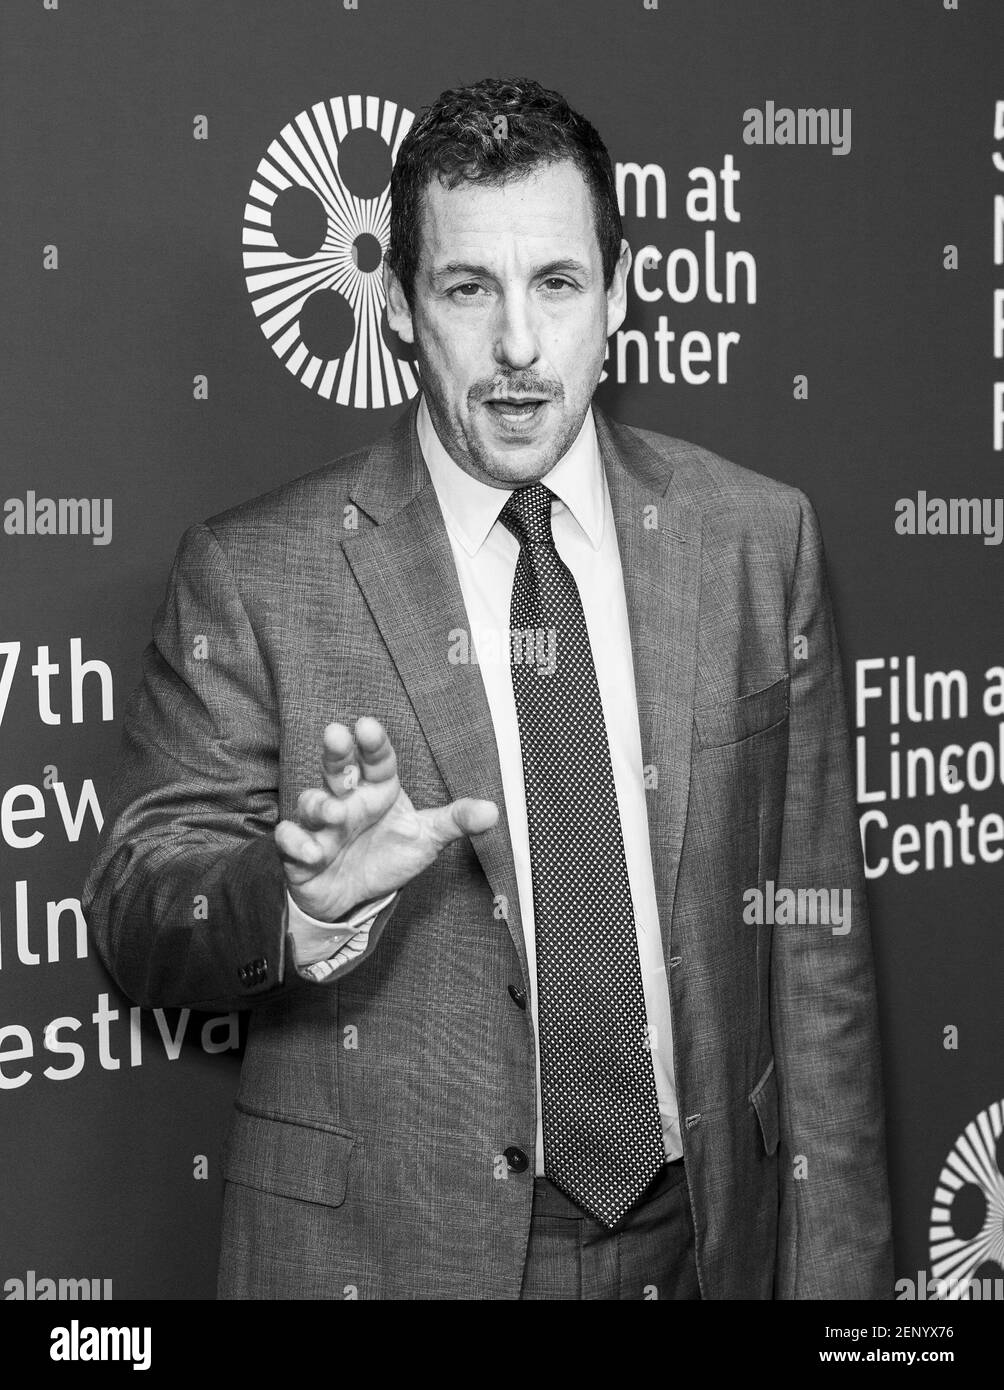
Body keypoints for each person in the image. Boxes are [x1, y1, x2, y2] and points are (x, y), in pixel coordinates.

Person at [83, 76, 893, 1300]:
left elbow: (812, 958)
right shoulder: (256, 572)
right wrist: (293, 904)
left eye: (556, 284)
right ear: (405, 309)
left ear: (618, 298)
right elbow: (141, 904)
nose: (517, 345)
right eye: (468, 288)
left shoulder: (752, 537)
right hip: (391, 1259)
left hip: (701, 1236)